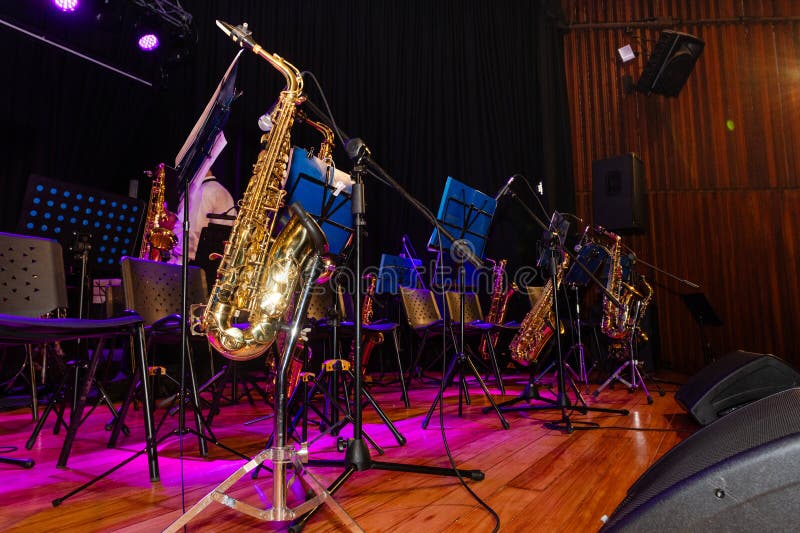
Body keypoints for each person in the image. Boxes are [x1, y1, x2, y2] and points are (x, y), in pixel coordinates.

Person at [169, 167, 236, 265]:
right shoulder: (221, 190)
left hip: (193, 263)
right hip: (214, 259)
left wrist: (173, 259)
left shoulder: (203, 191)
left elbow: (192, 234)